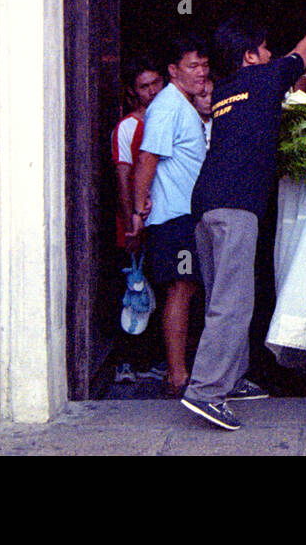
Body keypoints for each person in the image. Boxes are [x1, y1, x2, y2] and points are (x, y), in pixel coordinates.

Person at [181, 1, 306, 431]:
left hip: (206, 203)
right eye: (264, 48)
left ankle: (231, 379)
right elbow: (302, 54)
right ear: (250, 56)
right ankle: (205, 392)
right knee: (231, 303)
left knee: (222, 296)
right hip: (235, 206)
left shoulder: (225, 91)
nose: (271, 55)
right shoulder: (261, 78)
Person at [132, 34, 210, 397]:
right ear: (173, 70)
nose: (201, 73)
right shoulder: (167, 106)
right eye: (193, 66)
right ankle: (178, 377)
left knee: (189, 289)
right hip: (173, 217)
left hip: (186, 215)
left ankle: (181, 372)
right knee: (180, 290)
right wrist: (138, 208)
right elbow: (147, 159)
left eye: (205, 66)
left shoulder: (181, 104)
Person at [110, 58, 166, 384]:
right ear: (133, 92)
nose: (152, 91)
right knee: (131, 292)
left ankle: (153, 360)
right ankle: (126, 363)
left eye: (155, 83)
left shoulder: (169, 118)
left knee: (157, 288)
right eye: (144, 86)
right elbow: (123, 175)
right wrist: (131, 221)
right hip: (133, 223)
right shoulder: (127, 127)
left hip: (160, 219)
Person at [194, 76, 214, 149]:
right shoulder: (189, 124)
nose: (209, 100)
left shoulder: (220, 123)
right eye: (203, 96)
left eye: (212, 94)